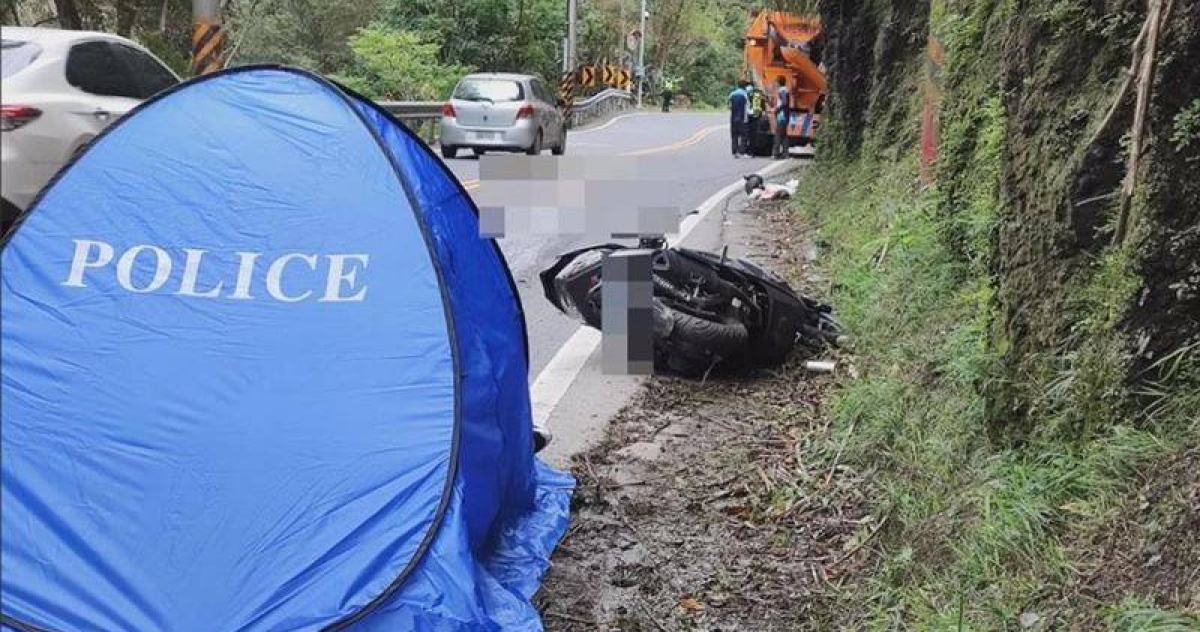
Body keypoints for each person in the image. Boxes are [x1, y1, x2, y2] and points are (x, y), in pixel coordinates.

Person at [728, 81, 749, 157]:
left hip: (733, 117)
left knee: (734, 135)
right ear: (744, 87)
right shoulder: (745, 95)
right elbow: (747, 108)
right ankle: (742, 151)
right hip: (742, 118)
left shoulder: (732, 94)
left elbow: (729, 106)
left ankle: (734, 151)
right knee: (744, 135)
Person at [772, 76, 791, 159]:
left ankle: (776, 153)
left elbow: (784, 102)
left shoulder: (782, 91)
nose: (775, 83)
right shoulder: (785, 90)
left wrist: (778, 110)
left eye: (776, 82)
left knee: (778, 134)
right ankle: (785, 153)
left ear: (779, 82)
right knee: (784, 135)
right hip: (785, 115)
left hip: (781, 116)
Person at [747, 85, 766, 155]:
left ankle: (750, 151)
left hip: (751, 116)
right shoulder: (761, 96)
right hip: (758, 116)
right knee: (755, 135)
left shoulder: (750, 95)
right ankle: (753, 150)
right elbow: (764, 107)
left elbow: (748, 105)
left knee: (750, 135)